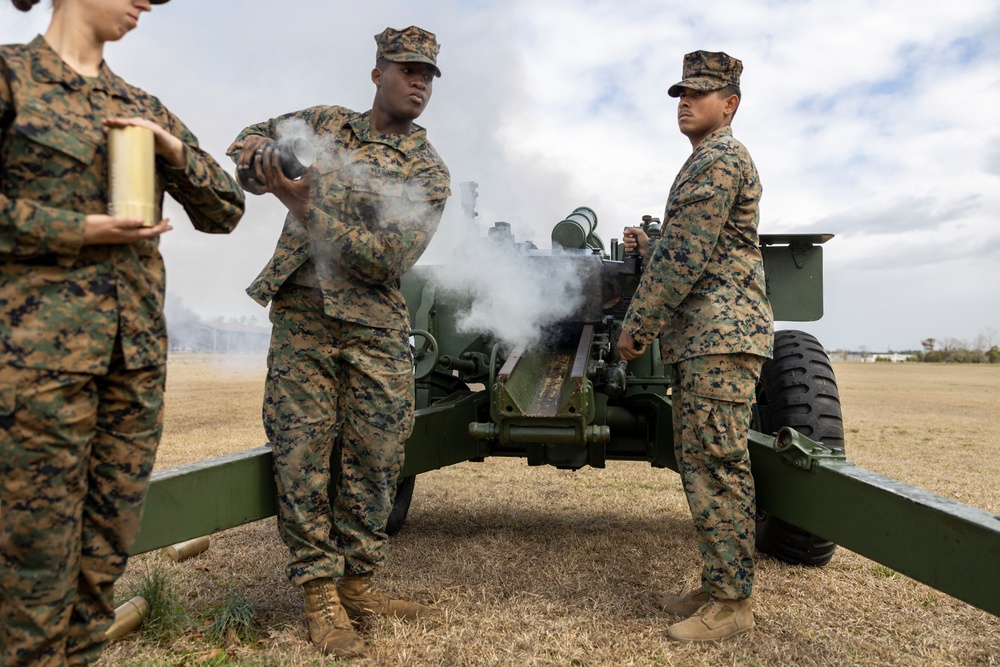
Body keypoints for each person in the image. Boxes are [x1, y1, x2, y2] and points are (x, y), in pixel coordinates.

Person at [0, 0, 246, 665]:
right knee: (32, 568)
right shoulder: (12, 78)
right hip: (36, 368)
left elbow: (226, 209)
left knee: (99, 565)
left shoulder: (141, 105)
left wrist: (173, 151)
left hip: (131, 367)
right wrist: (76, 230)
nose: (145, 3)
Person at [227, 26, 450, 658]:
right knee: (301, 454)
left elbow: (386, 260)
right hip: (302, 310)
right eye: (407, 69)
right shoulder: (324, 122)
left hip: (375, 322)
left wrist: (302, 202)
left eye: (428, 75)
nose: (419, 83)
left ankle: (358, 583)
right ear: (377, 72)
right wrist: (260, 163)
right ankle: (320, 595)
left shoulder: (428, 171)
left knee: (376, 459)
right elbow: (246, 138)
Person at [617, 50, 773, 643]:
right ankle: (717, 583)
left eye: (700, 94)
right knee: (703, 462)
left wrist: (637, 326)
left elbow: (686, 258)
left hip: (721, 335)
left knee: (717, 465)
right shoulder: (707, 160)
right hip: (709, 336)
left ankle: (733, 604)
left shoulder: (719, 159)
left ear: (729, 105)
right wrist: (648, 243)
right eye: (681, 93)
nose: (686, 101)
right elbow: (688, 246)